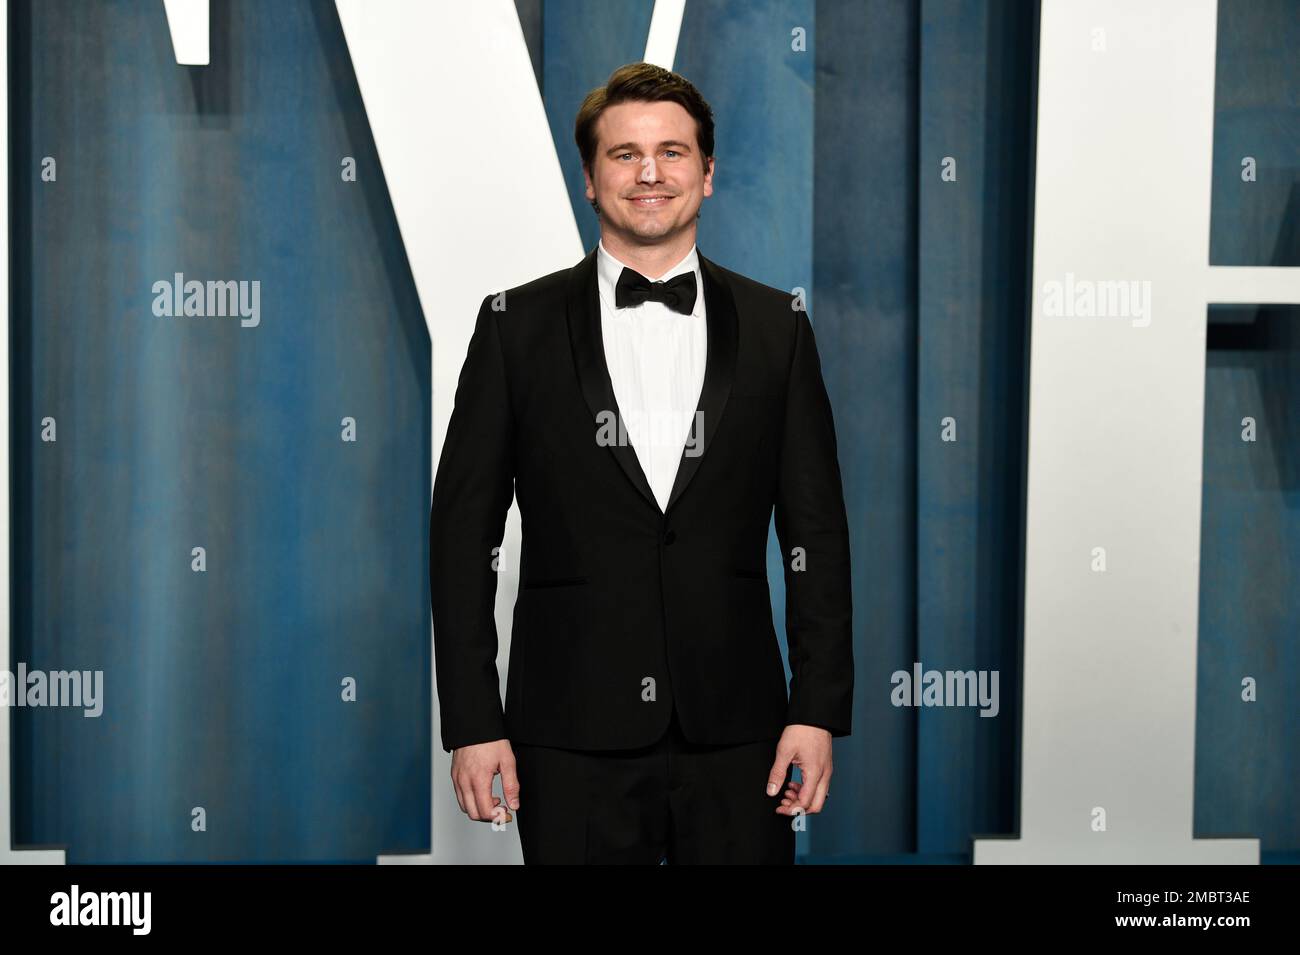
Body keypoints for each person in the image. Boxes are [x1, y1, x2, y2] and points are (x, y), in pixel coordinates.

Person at [430, 62, 853, 864]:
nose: (651, 172)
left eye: (673, 151)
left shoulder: (777, 328)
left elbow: (818, 536)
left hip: (742, 735)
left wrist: (818, 706)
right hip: (569, 734)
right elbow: (461, 539)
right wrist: (475, 721)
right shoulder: (514, 329)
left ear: (709, 173)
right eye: (624, 155)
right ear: (588, 179)